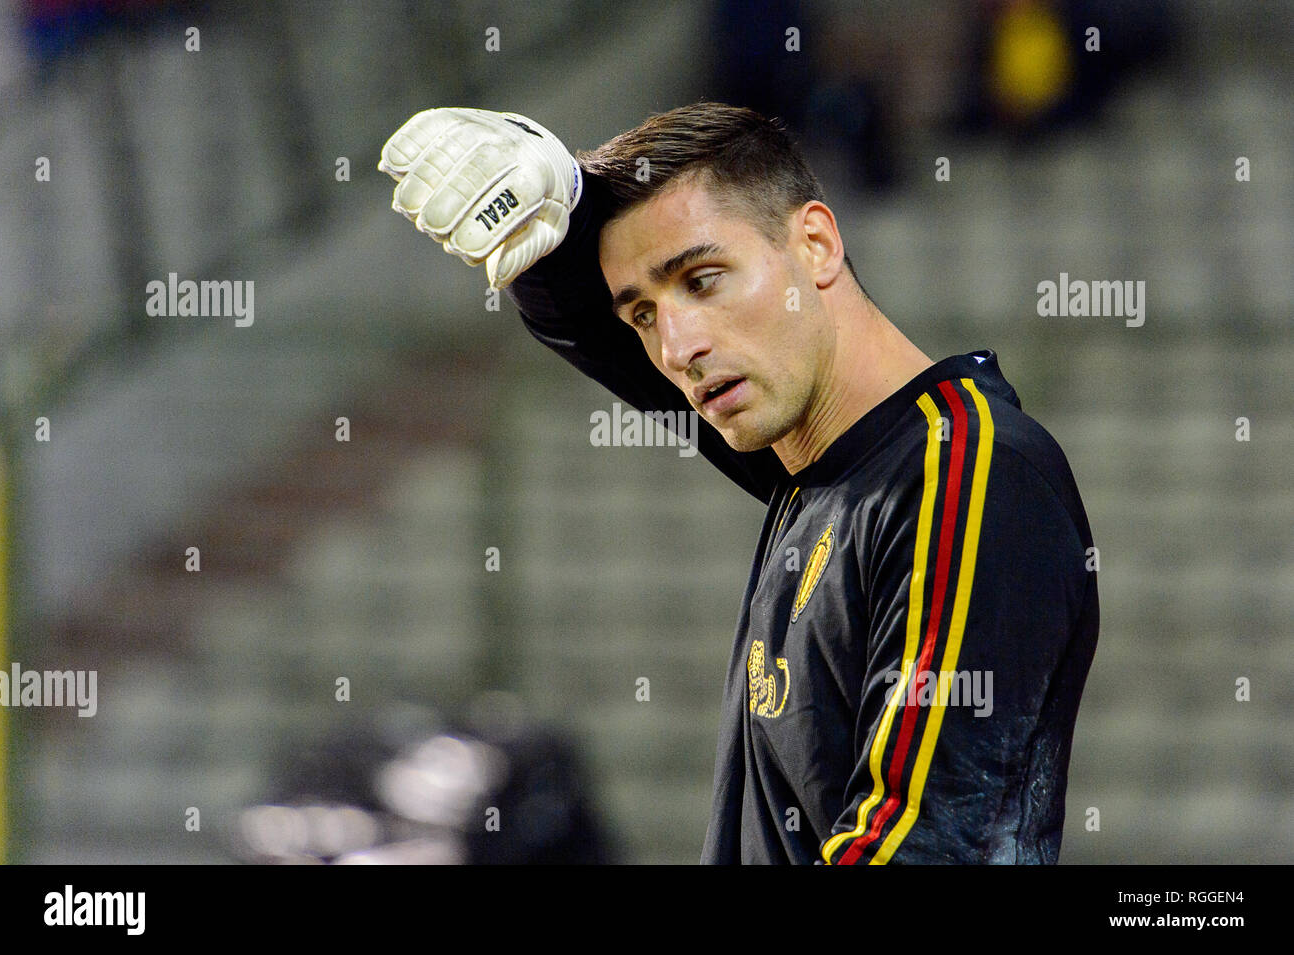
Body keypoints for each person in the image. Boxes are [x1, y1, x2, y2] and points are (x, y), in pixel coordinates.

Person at [378, 103, 1099, 864]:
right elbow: (607, 342)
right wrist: (562, 217)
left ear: (815, 244)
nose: (679, 345)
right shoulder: (820, 465)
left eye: (704, 278)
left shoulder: (967, 472)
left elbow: (919, 847)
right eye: (645, 315)